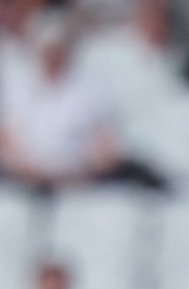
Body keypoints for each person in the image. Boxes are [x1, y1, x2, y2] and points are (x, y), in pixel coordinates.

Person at [0, 22, 163, 190]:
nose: (51, 57)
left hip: (82, 181)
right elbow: (7, 141)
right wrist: (34, 173)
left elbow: (106, 146)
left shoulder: (91, 88)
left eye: (56, 51)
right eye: (47, 51)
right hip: (24, 179)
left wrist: (76, 175)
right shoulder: (19, 87)